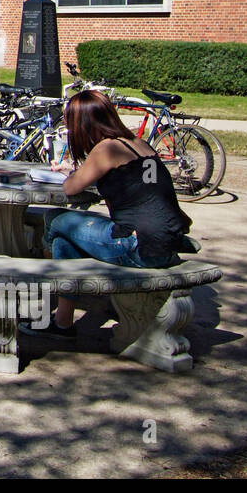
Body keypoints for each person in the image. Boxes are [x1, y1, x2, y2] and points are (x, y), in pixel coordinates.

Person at [25, 90, 194, 338]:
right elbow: (145, 188)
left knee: (54, 220)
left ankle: (45, 284)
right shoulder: (140, 145)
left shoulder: (106, 150)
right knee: (64, 241)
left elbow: (70, 188)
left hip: (136, 245)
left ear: (83, 123)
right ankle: (62, 323)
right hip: (165, 243)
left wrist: (72, 173)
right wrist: (78, 169)